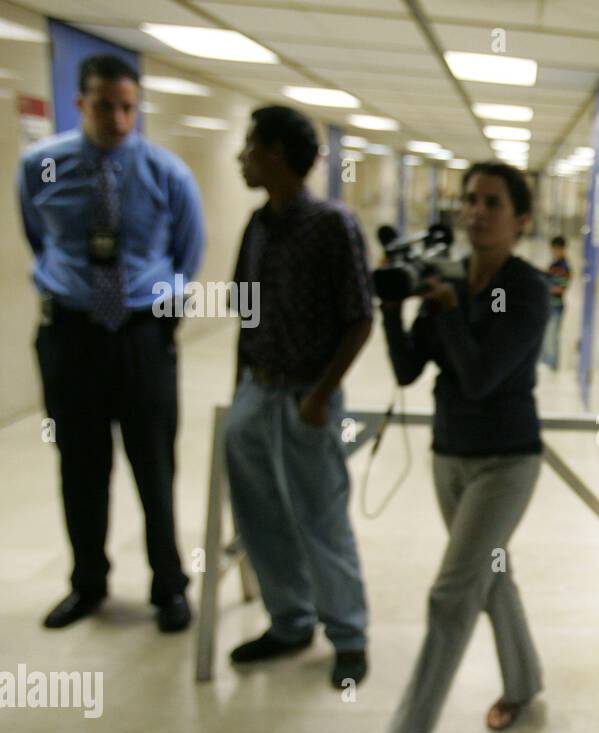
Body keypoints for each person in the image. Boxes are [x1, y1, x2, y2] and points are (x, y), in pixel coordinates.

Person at [344, 162, 550, 733]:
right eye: (470, 200)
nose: (477, 211)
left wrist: (451, 308)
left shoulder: (527, 289)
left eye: (492, 202)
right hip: (448, 454)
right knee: (492, 577)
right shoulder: (448, 276)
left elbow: (484, 377)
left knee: (452, 592)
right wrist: (394, 310)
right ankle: (524, 682)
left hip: (507, 460)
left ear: (520, 220)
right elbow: (411, 371)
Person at [17, 54, 204, 633]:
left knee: (154, 466)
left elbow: (187, 253)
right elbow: (37, 237)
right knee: (80, 466)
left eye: (129, 107)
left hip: (142, 336)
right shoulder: (41, 165)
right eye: (106, 106)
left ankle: (168, 585)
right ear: (81, 104)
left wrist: (152, 312)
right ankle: (88, 583)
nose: (119, 119)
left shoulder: (167, 172)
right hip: (71, 336)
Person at [223, 106, 374, 689]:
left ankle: (349, 633)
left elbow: (360, 318)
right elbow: (246, 312)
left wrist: (321, 395)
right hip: (256, 392)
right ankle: (290, 620)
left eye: (251, 146)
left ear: (278, 154)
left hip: (308, 399)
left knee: (320, 518)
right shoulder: (258, 225)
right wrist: (239, 389)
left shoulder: (333, 225)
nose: (243, 158)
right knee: (259, 518)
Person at [541, 235, 570, 370]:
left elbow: (560, 288)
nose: (554, 252)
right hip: (549, 306)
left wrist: (546, 286)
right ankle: (548, 363)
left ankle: (552, 365)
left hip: (557, 307)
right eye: (553, 249)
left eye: (557, 249)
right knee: (548, 336)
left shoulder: (564, 267)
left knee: (552, 337)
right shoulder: (553, 265)